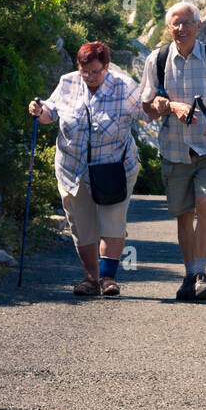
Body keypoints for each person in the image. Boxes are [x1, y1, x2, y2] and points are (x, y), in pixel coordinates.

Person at [139, 2, 206, 302]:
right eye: (175, 23)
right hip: (174, 150)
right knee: (183, 215)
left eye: (187, 23)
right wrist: (167, 106)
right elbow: (146, 106)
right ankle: (189, 275)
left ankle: (200, 272)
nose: (181, 29)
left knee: (204, 202)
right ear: (168, 27)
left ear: (198, 26)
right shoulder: (156, 60)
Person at [29, 41, 144, 297]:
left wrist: (160, 106)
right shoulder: (68, 82)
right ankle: (91, 279)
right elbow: (51, 113)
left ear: (107, 66)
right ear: (78, 67)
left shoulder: (124, 86)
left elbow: (145, 113)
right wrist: (39, 110)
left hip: (114, 167)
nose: (90, 77)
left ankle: (108, 278)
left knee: (112, 222)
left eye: (96, 71)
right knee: (81, 225)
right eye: (85, 71)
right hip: (72, 167)